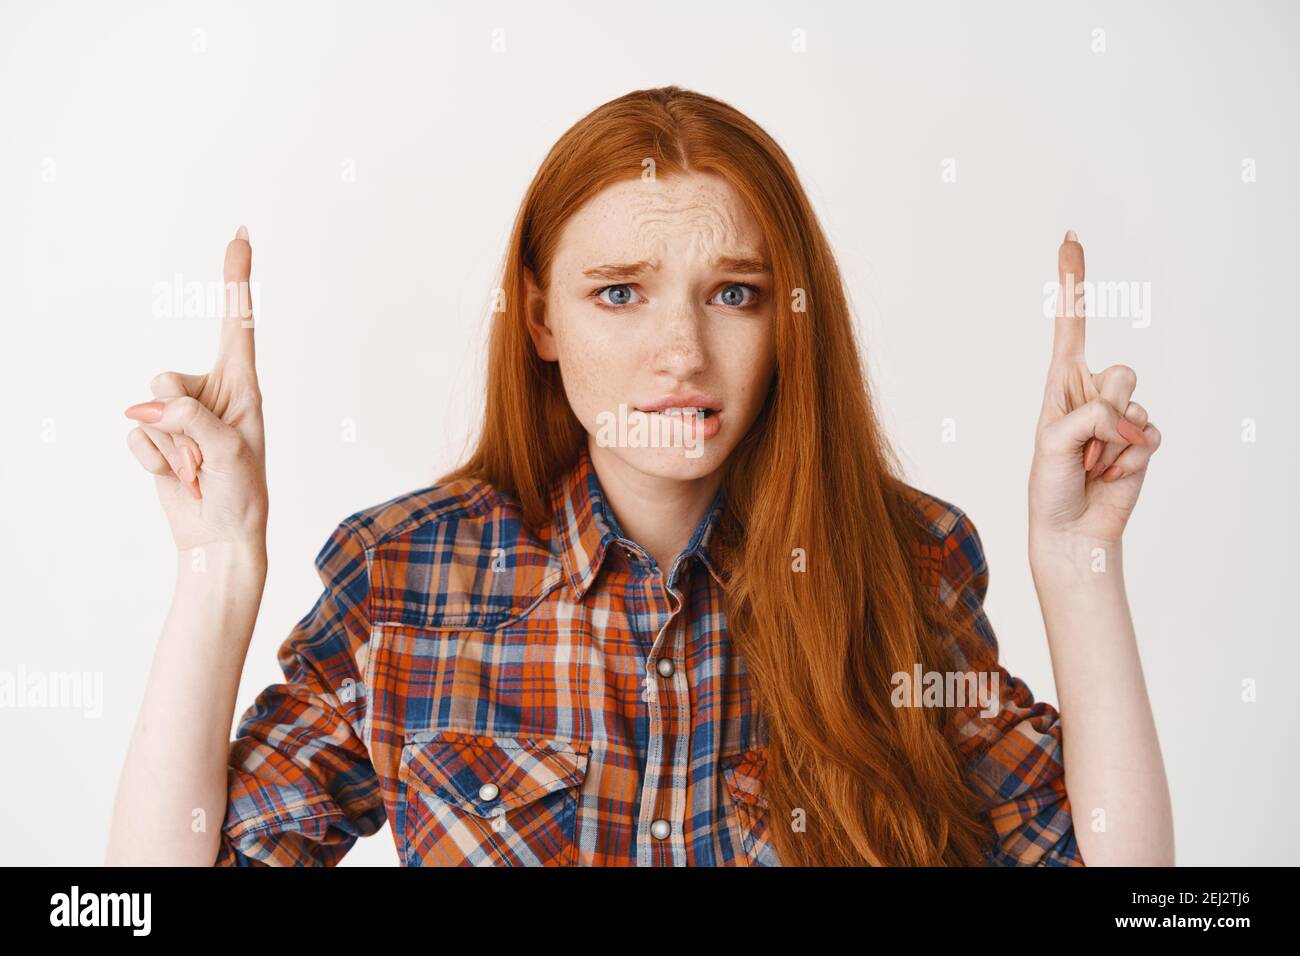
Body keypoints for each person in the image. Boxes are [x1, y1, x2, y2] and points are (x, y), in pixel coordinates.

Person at [106, 86, 1172, 867]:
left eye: (735, 294)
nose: (682, 352)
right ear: (541, 318)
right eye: (619, 292)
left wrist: (1079, 562)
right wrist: (215, 563)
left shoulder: (902, 562)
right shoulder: (406, 575)